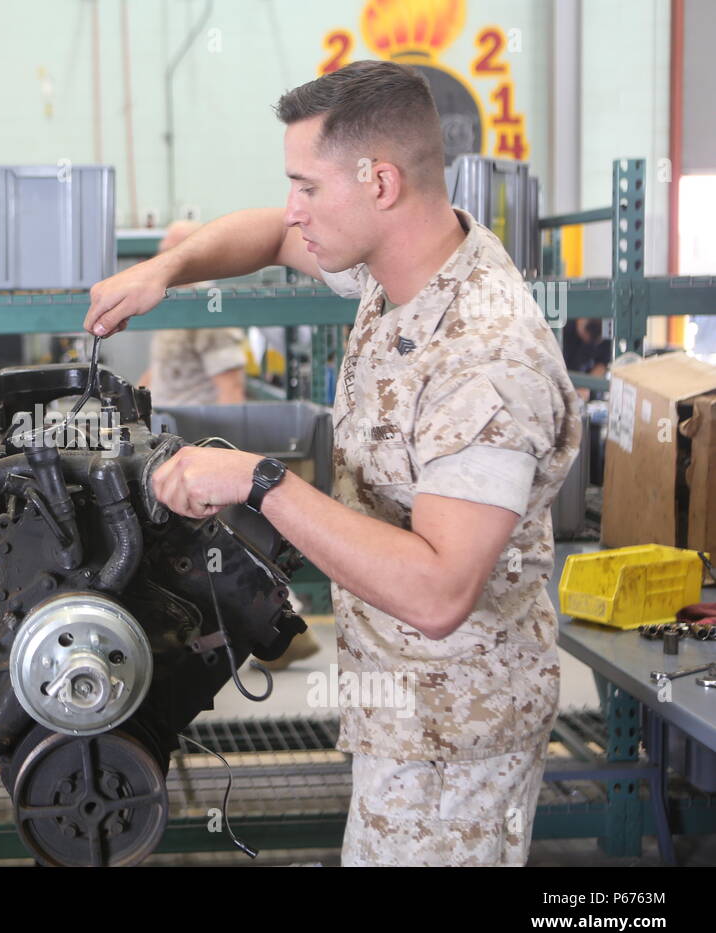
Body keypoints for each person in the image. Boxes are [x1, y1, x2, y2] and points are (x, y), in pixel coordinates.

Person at [83, 60, 580, 866]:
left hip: (456, 742)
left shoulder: (486, 358)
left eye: (307, 186)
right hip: (403, 715)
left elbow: (440, 590)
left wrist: (259, 482)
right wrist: (163, 269)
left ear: (380, 182)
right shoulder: (403, 272)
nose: (293, 209)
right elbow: (272, 238)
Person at [138, 220, 247, 406]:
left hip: (194, 431)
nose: (161, 260)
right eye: (162, 252)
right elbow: (162, 368)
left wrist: (224, 436)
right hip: (164, 427)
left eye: (171, 253)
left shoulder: (207, 311)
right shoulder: (174, 303)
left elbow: (231, 388)